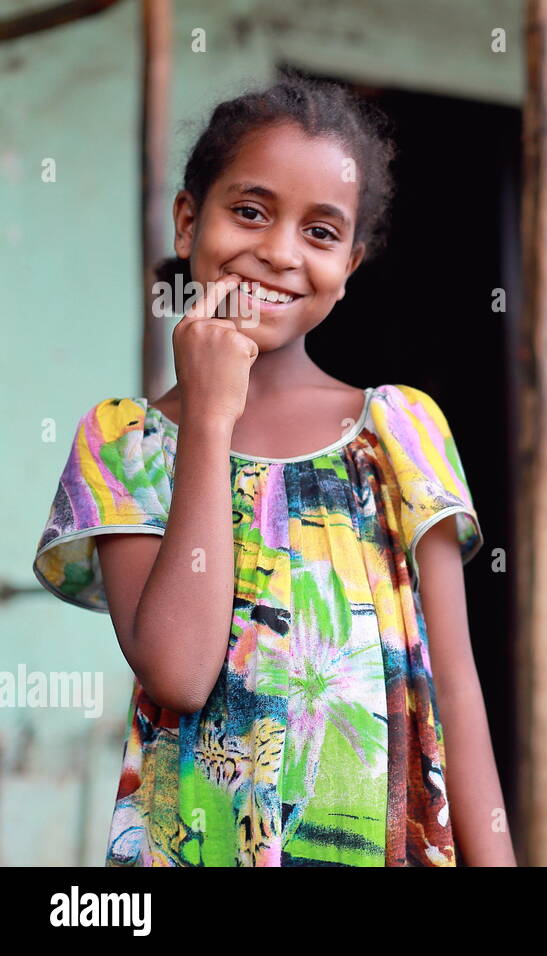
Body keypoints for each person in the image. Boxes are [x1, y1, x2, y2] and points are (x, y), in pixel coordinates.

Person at [31, 74, 514, 867]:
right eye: (250, 211)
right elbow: (179, 674)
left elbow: (455, 685)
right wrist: (212, 416)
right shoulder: (125, 444)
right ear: (190, 221)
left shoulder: (399, 432)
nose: (280, 251)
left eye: (321, 233)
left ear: (351, 263)